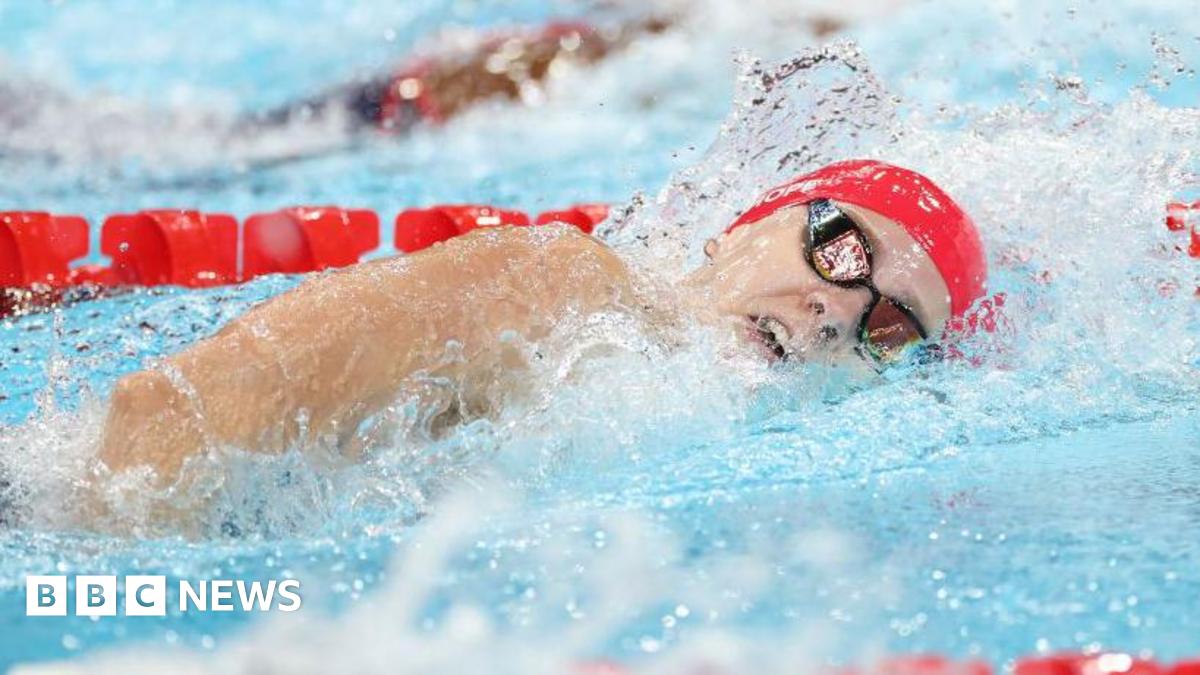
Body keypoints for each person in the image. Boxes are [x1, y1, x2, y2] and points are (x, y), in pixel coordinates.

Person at [96, 159, 987, 496]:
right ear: (750, 222)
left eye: (897, 330)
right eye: (841, 251)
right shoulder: (562, 287)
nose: (841, 312)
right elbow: (165, 420)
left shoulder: (677, 438)